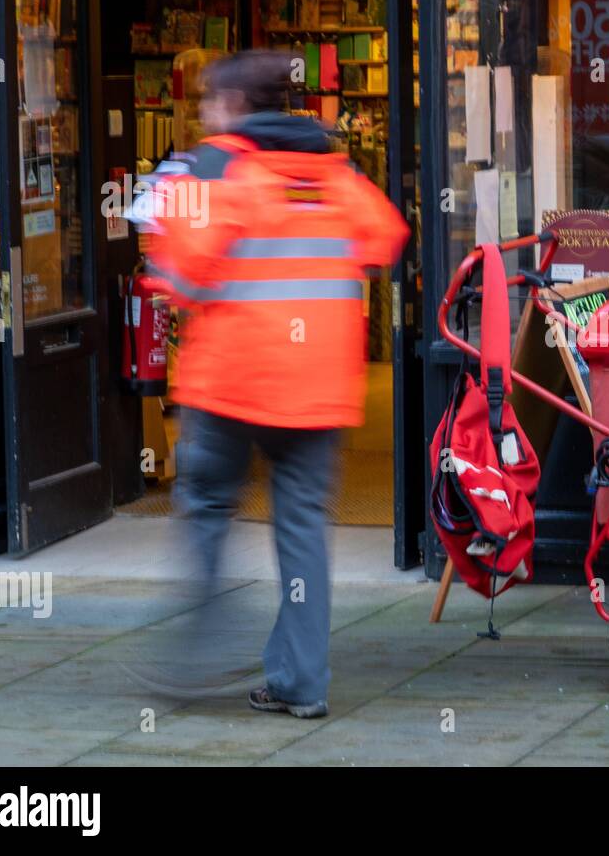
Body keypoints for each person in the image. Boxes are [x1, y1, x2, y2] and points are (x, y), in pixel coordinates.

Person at [143, 50, 410, 718]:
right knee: (301, 531)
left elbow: (183, 268)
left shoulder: (217, 166)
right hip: (317, 388)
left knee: (206, 511)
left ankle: (195, 657)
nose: (204, 113)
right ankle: (302, 684)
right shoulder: (333, 172)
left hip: (233, 382)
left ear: (234, 106)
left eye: (209, 101)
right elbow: (385, 237)